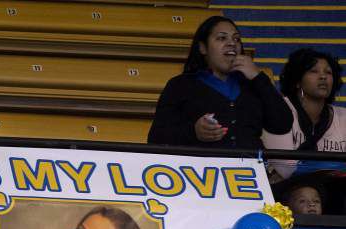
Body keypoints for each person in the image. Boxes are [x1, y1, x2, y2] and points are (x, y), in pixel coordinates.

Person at [147, 16, 292, 149]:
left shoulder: (253, 84)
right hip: (201, 173)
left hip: (250, 173)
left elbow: (282, 125)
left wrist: (258, 77)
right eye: (222, 38)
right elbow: (156, 138)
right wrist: (193, 132)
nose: (231, 43)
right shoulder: (180, 85)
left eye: (236, 39)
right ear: (203, 48)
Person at [263, 49, 345, 180]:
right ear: (297, 80)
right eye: (314, 71)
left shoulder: (343, 117)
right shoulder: (278, 110)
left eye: (328, 72)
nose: (323, 76)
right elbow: (285, 170)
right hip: (289, 190)